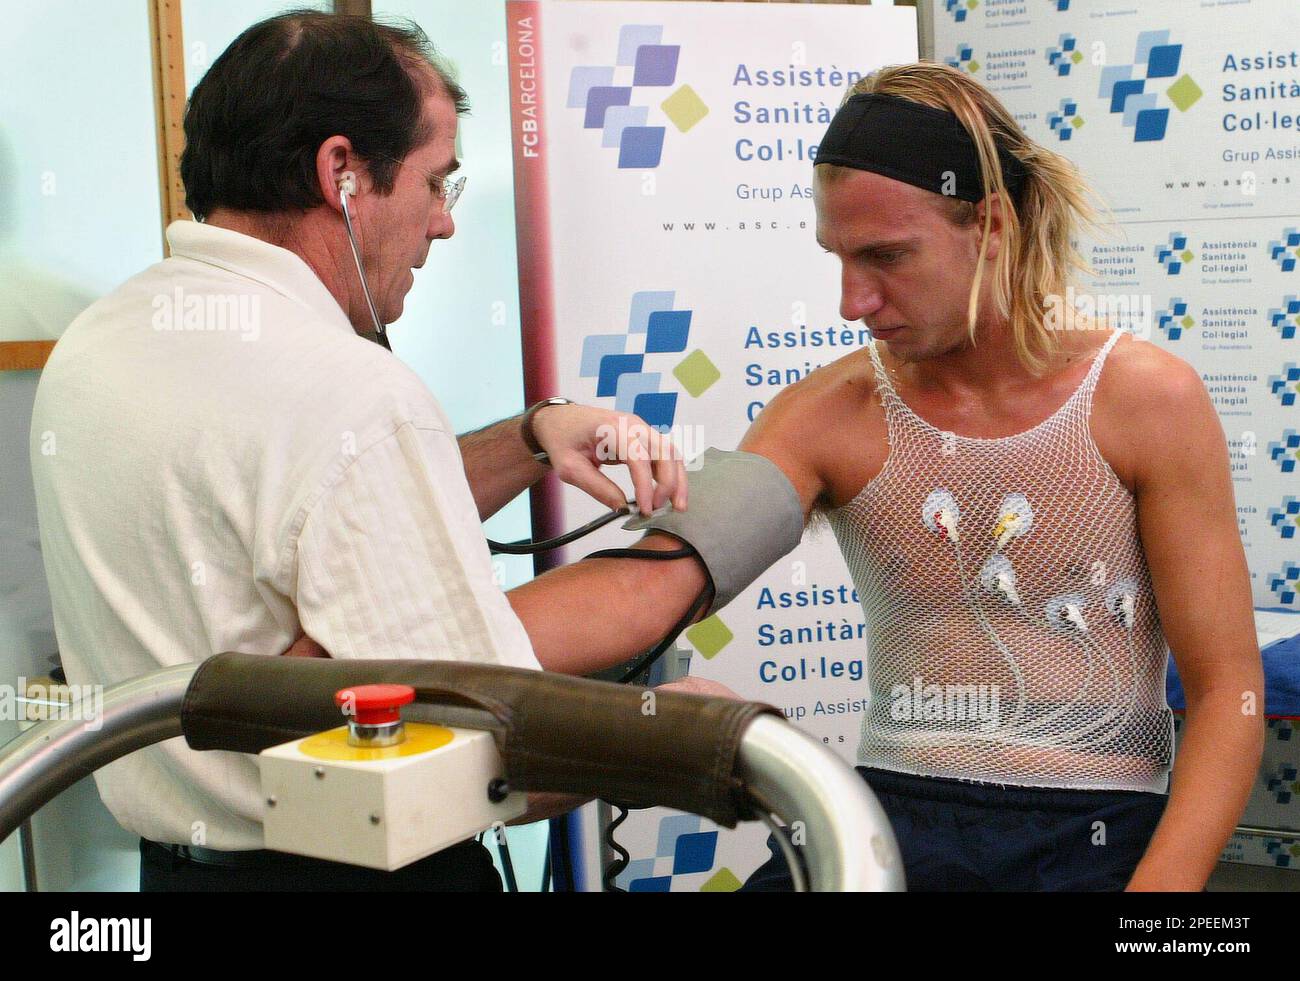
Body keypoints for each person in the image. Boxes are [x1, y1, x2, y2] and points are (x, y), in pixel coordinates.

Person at [512, 63, 1265, 891]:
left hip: (1095, 826)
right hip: (891, 816)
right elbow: (649, 587)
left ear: (991, 224)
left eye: (886, 256)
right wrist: (405, 649)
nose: (851, 301)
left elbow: (1227, 686)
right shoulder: (828, 414)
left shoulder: (1145, 400)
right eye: (838, 257)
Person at [29, 11, 704, 892]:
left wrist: (533, 433)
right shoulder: (349, 392)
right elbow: (491, 756)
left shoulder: (95, 346)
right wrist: (673, 734)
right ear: (341, 172)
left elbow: (311, 516)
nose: (444, 224)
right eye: (436, 183)